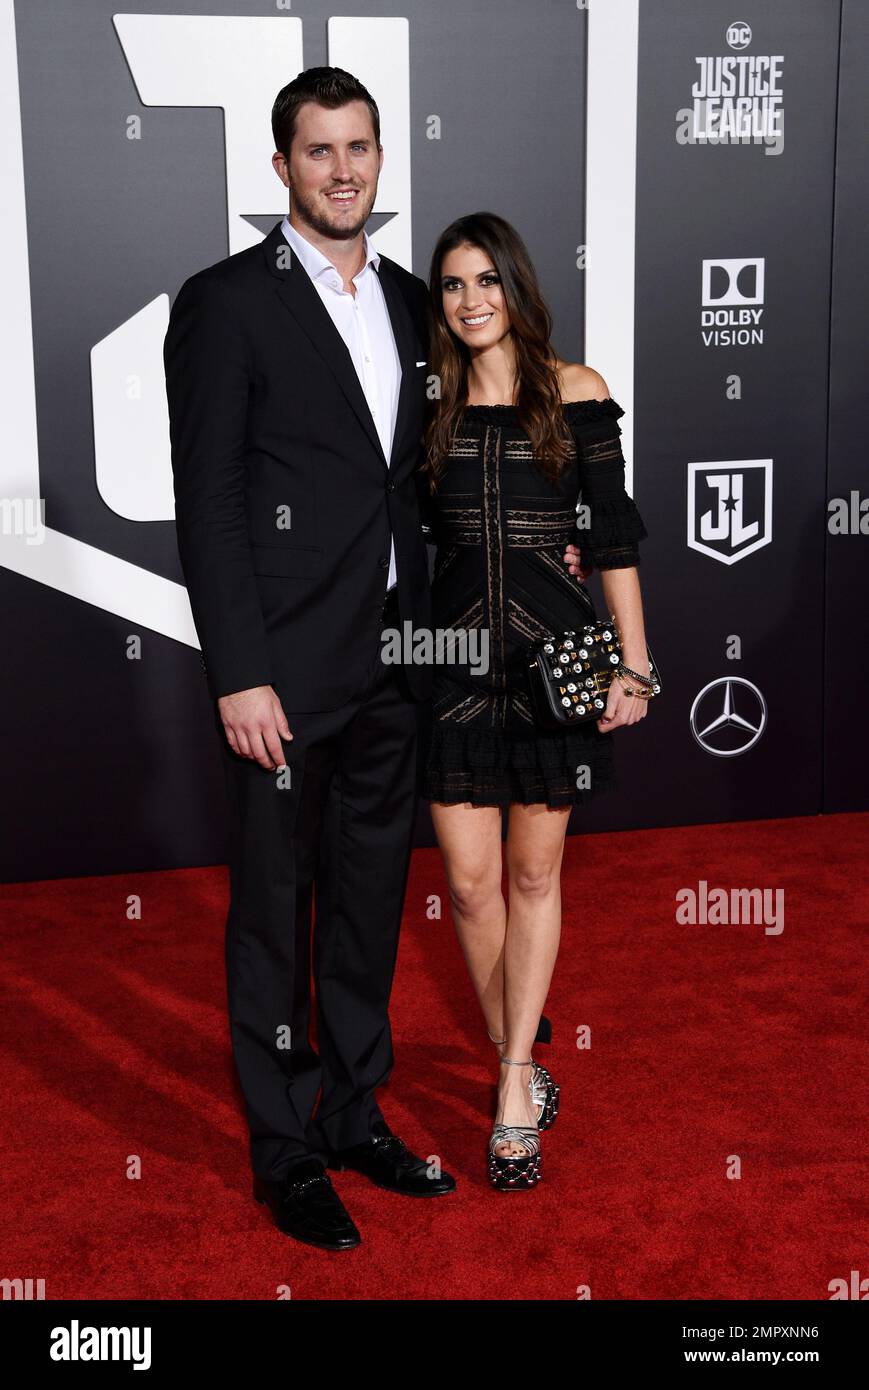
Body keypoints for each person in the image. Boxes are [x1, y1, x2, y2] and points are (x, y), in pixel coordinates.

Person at [163, 67, 456, 1252]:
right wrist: (237, 668)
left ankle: (352, 1114)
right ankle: (284, 1150)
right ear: (278, 166)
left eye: (361, 148)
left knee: (369, 906)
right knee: (275, 919)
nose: (344, 171)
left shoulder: (407, 299)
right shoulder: (226, 301)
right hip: (281, 673)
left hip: (397, 658)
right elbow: (213, 499)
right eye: (319, 150)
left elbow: (428, 480)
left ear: (381, 159)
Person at [417, 212, 651, 1190]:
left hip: (556, 663)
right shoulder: (424, 407)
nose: (471, 302)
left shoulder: (575, 393)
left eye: (486, 281)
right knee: (467, 884)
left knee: (529, 878)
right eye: (453, 286)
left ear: (516, 285)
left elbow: (612, 544)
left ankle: (513, 1077)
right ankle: (518, 1033)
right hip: (453, 661)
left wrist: (632, 665)